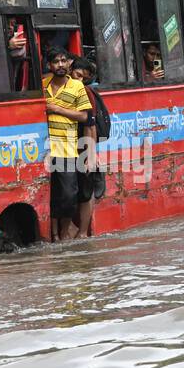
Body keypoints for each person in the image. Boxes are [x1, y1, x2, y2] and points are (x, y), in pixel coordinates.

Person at [42, 49, 91, 241]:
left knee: (69, 195)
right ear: (49, 65)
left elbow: (85, 116)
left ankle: (63, 234)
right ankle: (54, 235)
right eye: (56, 61)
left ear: (69, 64)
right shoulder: (42, 85)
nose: (60, 65)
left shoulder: (77, 86)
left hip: (67, 148)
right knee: (52, 194)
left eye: (63, 61)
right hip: (44, 149)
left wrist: (57, 109)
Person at [70, 56, 109, 237]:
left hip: (82, 145)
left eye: (83, 78)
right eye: (77, 75)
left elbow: (90, 125)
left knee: (86, 189)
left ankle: (83, 232)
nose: (79, 81)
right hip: (66, 145)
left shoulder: (85, 93)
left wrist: (90, 155)